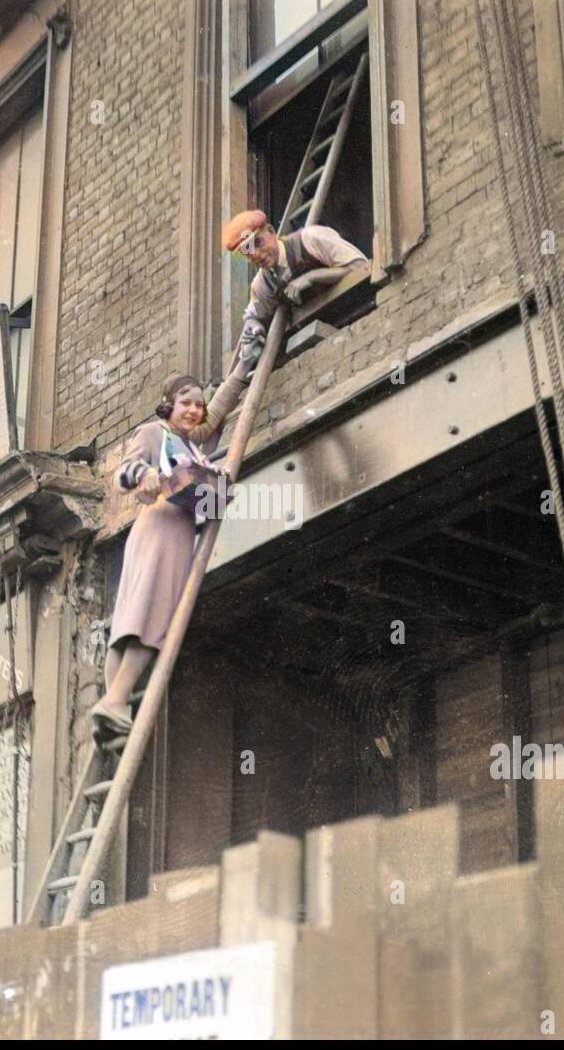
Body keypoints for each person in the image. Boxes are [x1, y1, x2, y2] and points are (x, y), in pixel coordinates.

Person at [91, 361, 253, 739]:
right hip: (164, 526)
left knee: (134, 615)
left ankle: (114, 703)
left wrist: (243, 367)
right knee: (151, 616)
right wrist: (145, 476)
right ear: (168, 405)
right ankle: (115, 700)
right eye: (186, 403)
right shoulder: (155, 433)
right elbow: (123, 471)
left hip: (175, 530)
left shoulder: (192, 442)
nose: (195, 410)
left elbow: (218, 410)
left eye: (198, 405)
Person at [222, 209, 369, 373]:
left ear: (271, 231)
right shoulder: (263, 283)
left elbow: (362, 267)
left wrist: (312, 277)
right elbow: (254, 317)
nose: (255, 254)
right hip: (320, 351)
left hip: (360, 320)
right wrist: (254, 327)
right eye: (247, 251)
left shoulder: (311, 239)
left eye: (258, 243)